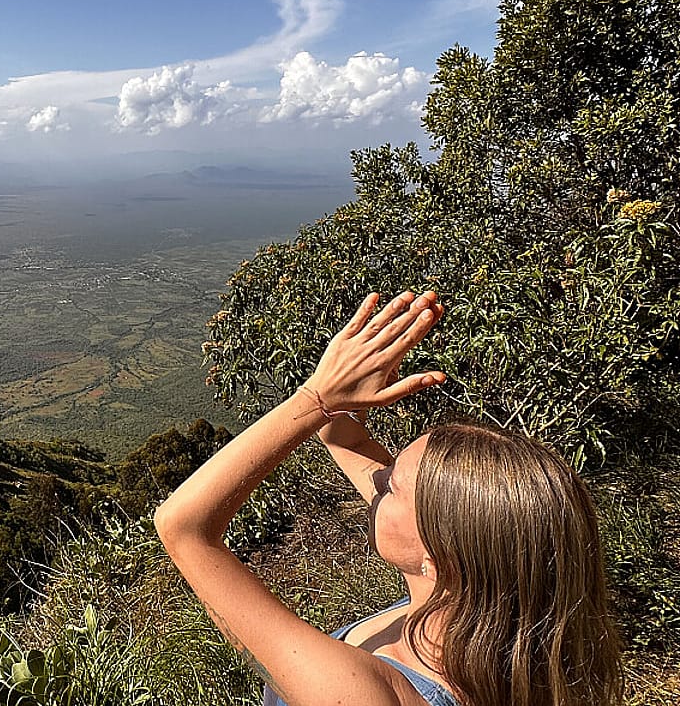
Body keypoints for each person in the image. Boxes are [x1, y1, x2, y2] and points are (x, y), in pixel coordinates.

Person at [154, 291, 623, 706]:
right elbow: (346, 442)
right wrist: (345, 384)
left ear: (438, 556)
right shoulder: (512, 635)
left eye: (394, 485)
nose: (377, 481)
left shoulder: (360, 692)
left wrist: (314, 397)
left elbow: (183, 526)